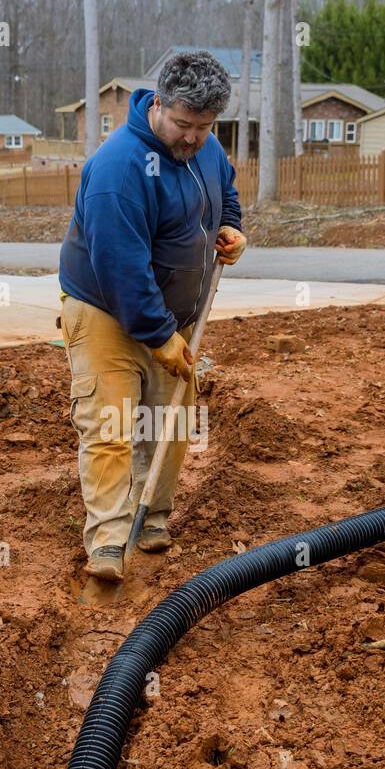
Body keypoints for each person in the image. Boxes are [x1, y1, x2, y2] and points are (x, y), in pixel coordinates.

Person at [58, 50, 247, 582]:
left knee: (171, 421)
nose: (193, 138)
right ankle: (109, 543)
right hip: (106, 312)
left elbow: (223, 191)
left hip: (173, 313)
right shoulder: (119, 167)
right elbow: (120, 265)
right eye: (184, 124)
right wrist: (159, 335)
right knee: (112, 427)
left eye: (205, 127)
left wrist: (230, 227)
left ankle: (153, 517)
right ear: (157, 103)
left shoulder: (205, 148)